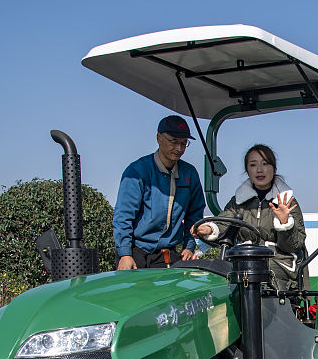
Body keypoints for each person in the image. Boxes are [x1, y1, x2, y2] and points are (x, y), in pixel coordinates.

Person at [191, 144, 307, 291]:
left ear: (274, 168)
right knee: (217, 276)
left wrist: (284, 222)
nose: (259, 169)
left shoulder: (286, 201)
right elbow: (224, 221)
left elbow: (294, 245)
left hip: (278, 263)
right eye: (253, 165)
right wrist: (208, 229)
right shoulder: (238, 201)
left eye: (265, 164)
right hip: (243, 260)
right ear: (247, 170)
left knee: (259, 275)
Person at [113, 115, 205, 270]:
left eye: (183, 143)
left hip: (168, 254)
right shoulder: (137, 171)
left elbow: (195, 215)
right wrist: (125, 254)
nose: (179, 148)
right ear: (159, 138)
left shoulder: (189, 173)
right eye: (174, 141)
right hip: (136, 252)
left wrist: (189, 246)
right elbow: (124, 215)